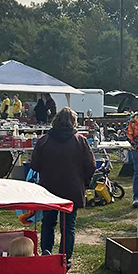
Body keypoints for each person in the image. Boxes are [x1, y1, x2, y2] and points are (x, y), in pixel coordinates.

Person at [29, 107, 95, 264]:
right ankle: (64, 259)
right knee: (68, 226)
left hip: (49, 189)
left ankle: (46, 253)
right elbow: (91, 165)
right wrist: (84, 181)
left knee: (48, 223)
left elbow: (35, 165)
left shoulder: (44, 140)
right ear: (73, 122)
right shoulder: (80, 140)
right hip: (72, 188)